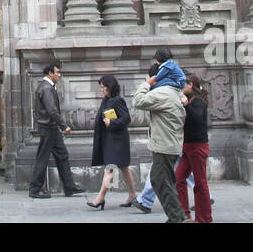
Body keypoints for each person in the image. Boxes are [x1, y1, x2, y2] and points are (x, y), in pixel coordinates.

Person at [132, 56, 187, 222]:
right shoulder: (174, 91)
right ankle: (176, 216)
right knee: (164, 181)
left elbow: (138, 101)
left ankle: (177, 217)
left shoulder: (161, 93)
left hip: (164, 146)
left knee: (161, 181)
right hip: (170, 144)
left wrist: (146, 83)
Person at [28, 62, 84, 199]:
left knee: (62, 155)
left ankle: (69, 186)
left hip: (51, 128)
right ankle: (35, 188)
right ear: (50, 73)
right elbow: (51, 110)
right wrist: (64, 126)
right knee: (43, 158)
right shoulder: (46, 88)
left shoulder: (47, 87)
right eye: (57, 72)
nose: (59, 75)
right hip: (48, 128)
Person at [87, 74, 134, 209]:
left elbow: (126, 118)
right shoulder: (106, 100)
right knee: (124, 168)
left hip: (118, 140)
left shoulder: (117, 100)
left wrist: (112, 123)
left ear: (110, 87)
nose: (102, 89)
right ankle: (132, 194)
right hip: (110, 139)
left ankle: (100, 197)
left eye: (103, 87)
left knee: (110, 168)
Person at [176, 75, 212, 223]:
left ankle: (204, 218)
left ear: (190, 85)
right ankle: (184, 214)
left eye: (182, 84)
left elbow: (197, 119)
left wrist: (186, 106)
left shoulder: (198, 101)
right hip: (188, 146)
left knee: (200, 182)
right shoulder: (191, 100)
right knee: (178, 178)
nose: (180, 87)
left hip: (197, 146)